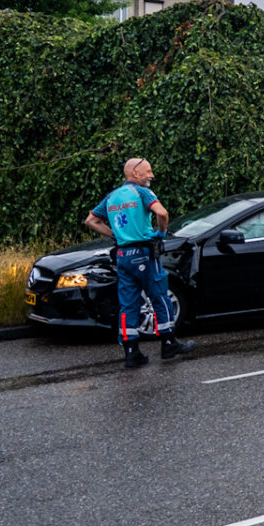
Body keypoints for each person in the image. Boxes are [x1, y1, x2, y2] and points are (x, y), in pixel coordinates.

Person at [85, 157, 195, 369]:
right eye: (148, 171)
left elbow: (91, 220)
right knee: (159, 297)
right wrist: (160, 233)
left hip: (123, 256)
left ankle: (131, 352)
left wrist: (115, 235)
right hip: (144, 253)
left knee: (128, 303)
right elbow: (162, 213)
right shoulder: (142, 193)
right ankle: (169, 343)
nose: (151, 176)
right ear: (135, 174)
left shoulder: (112, 197)